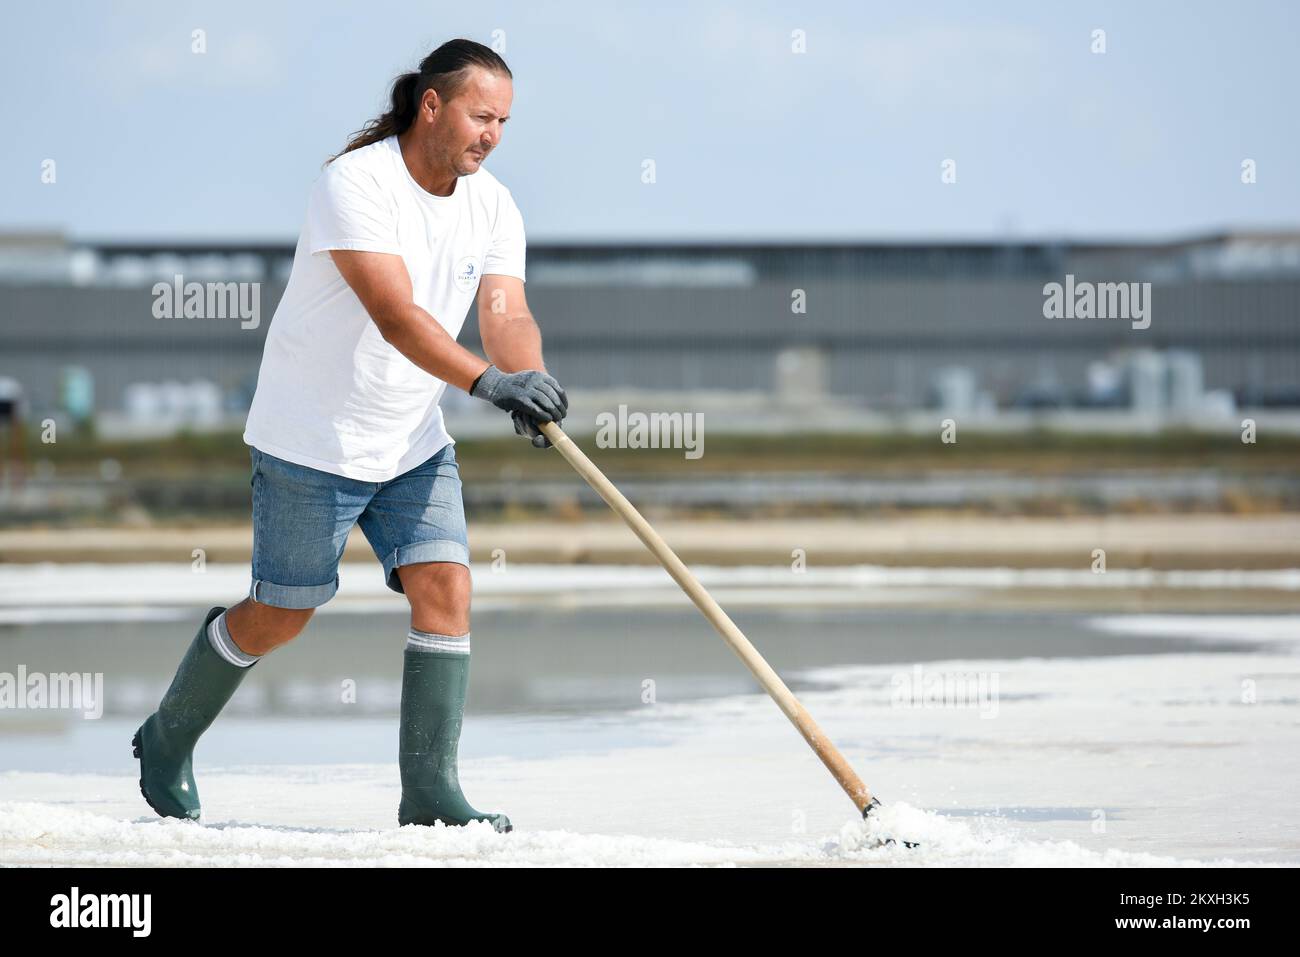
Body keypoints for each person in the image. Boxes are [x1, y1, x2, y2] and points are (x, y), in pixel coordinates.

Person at [134, 39, 567, 833]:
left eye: (504, 121)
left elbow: (505, 312)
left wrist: (526, 380)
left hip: (411, 441)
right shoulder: (355, 182)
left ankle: (430, 793)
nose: (492, 135)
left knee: (448, 588)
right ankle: (166, 737)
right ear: (431, 105)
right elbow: (397, 315)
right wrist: (485, 382)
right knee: (282, 612)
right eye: (480, 115)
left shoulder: (494, 203)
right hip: (312, 439)